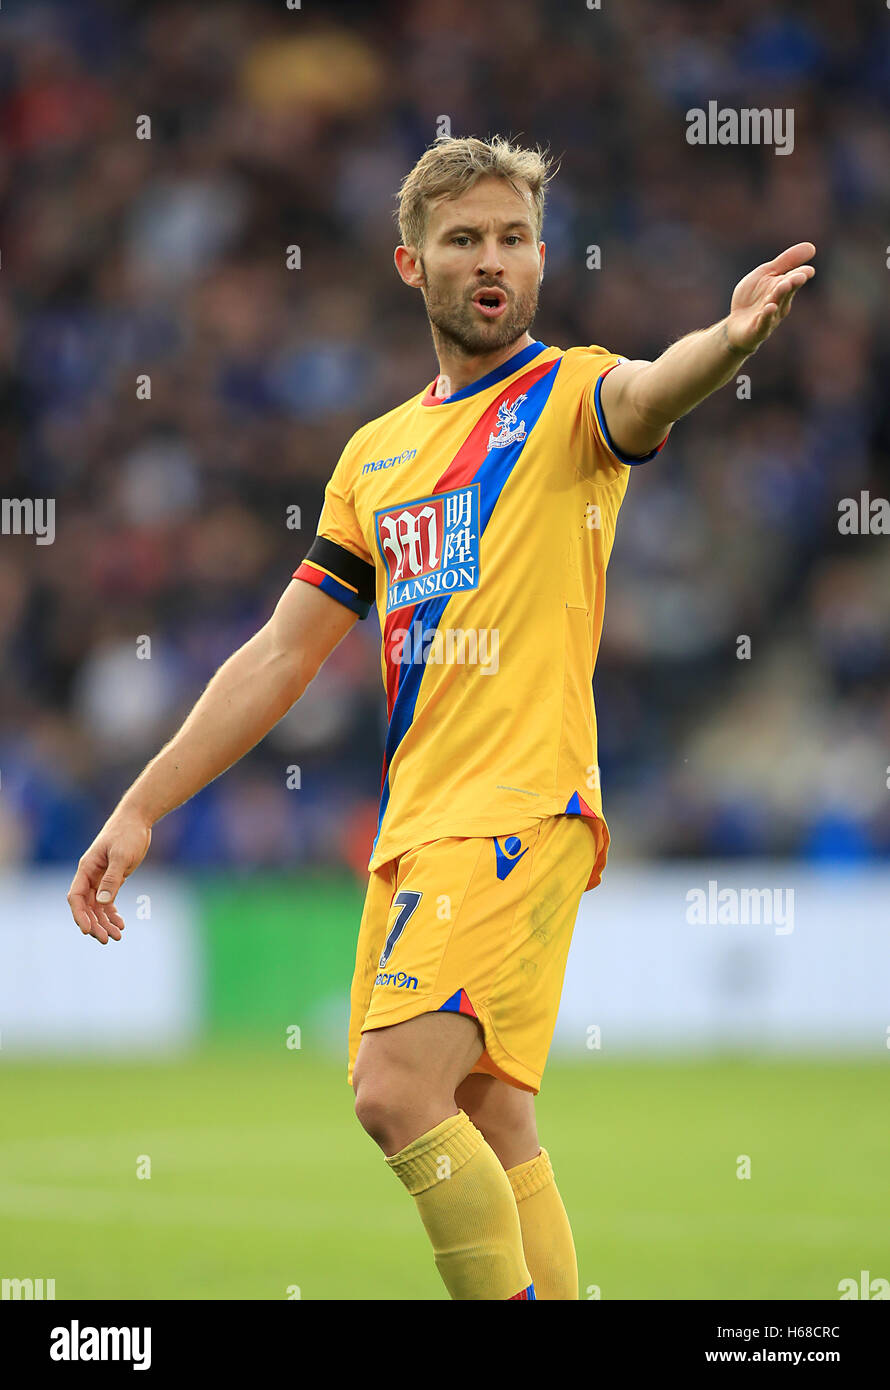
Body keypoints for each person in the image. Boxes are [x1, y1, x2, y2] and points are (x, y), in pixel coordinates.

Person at [67, 134, 814, 1300]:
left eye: (512, 239)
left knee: (392, 1092)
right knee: (489, 1114)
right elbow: (280, 651)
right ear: (410, 263)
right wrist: (141, 802)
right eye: (463, 238)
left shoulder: (570, 398)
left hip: (519, 807)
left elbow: (652, 385)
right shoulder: (376, 457)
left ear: (540, 259)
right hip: (418, 822)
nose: (492, 260)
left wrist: (726, 341)